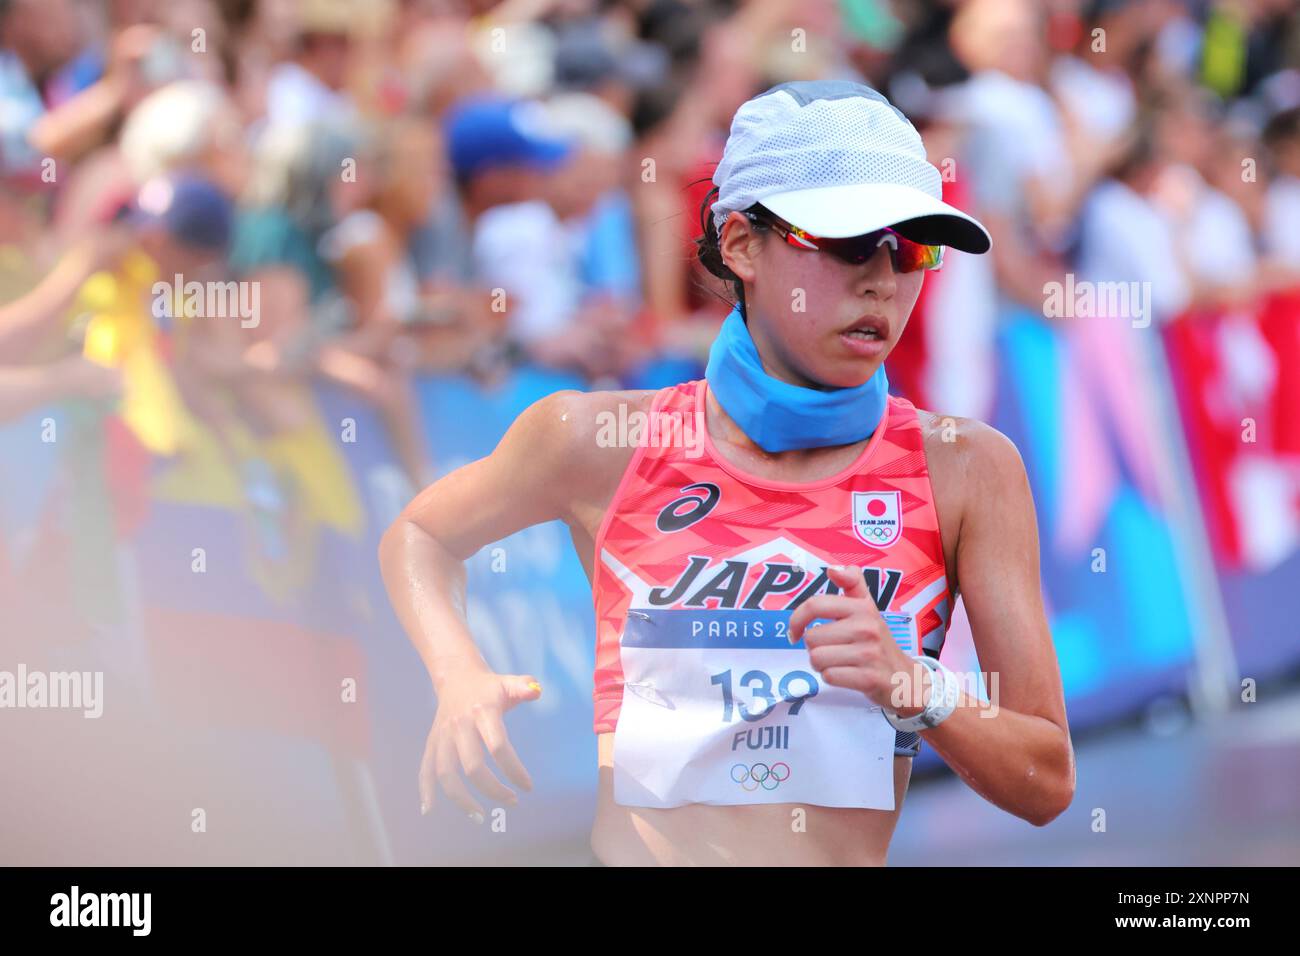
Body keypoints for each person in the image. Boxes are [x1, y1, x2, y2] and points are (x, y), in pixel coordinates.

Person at [379, 80, 1074, 866]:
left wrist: (914, 686)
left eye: (912, 246)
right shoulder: (598, 438)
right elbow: (421, 536)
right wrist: (458, 675)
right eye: (849, 242)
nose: (884, 278)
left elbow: (1045, 779)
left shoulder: (965, 468)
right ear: (741, 243)